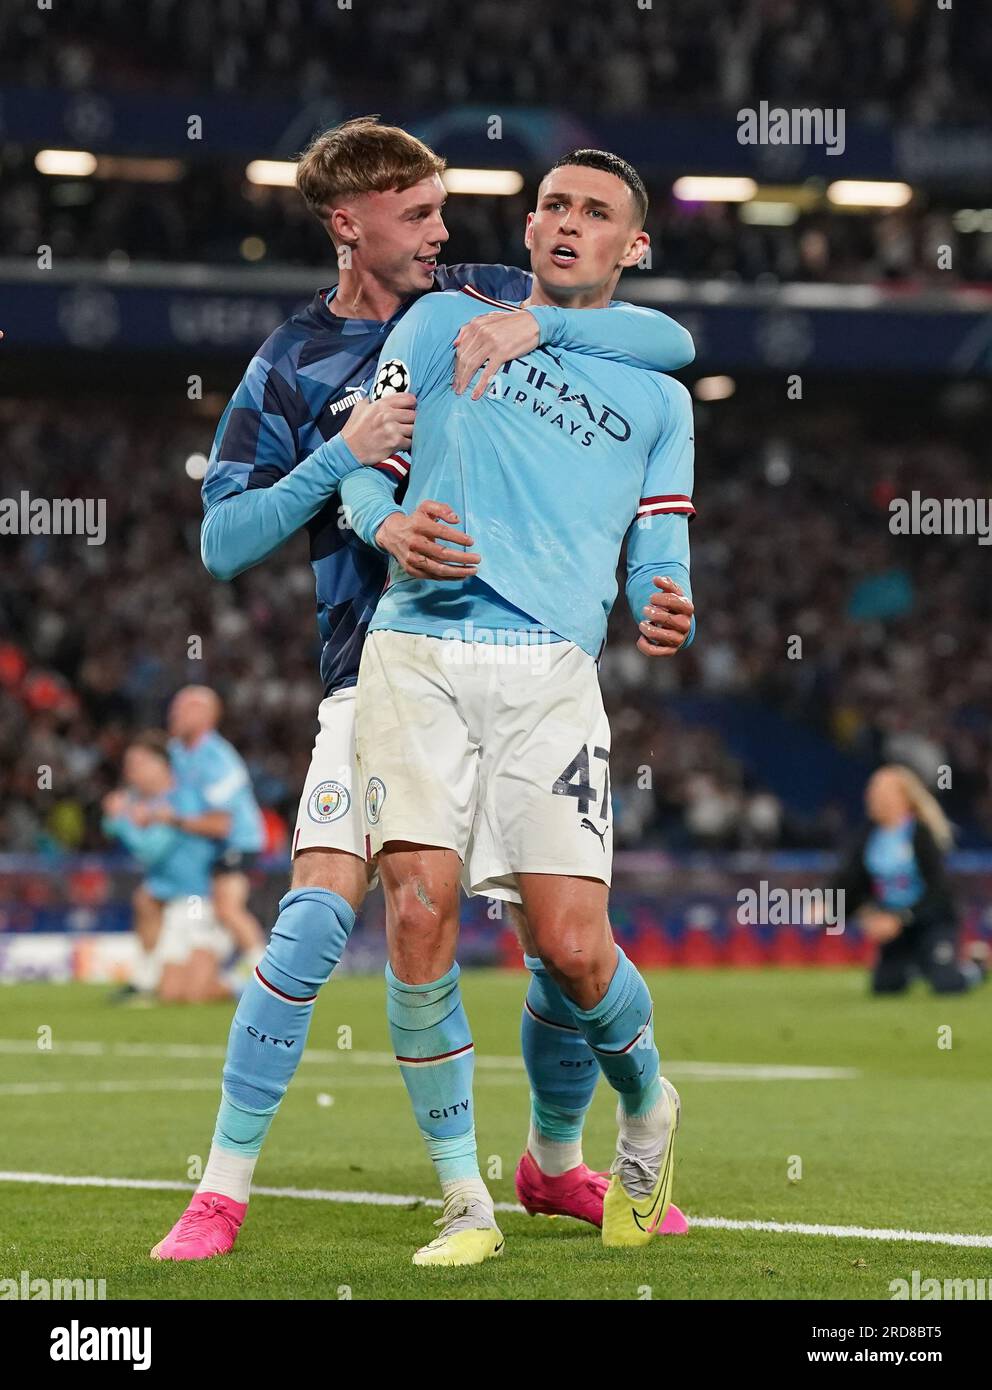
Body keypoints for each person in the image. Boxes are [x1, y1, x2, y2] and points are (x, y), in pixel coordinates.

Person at [150, 117, 693, 1261]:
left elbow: (664, 337)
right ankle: (233, 1188)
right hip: (378, 661)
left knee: (564, 944)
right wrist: (353, 475)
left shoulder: (481, 295)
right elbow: (226, 541)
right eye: (419, 214)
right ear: (347, 224)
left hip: (530, 660)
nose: (447, 232)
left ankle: (561, 1158)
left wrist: (537, 321)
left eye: (447, 209)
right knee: (335, 919)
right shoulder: (299, 360)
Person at [343, 147, 696, 1264]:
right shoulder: (440, 321)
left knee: (572, 947)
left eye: (595, 212)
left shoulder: (659, 395)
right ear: (529, 226)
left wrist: (662, 597)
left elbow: (659, 543)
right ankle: (465, 1200)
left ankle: (645, 1103)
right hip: (417, 649)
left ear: (633, 245)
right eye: (552, 205)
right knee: (416, 914)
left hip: (550, 674)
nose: (567, 223)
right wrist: (384, 524)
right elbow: (359, 467)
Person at [103, 733, 232, 1004]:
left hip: (197, 902)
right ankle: (147, 979)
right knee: (172, 994)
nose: (130, 772)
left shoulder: (181, 799)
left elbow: (151, 850)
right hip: (172, 901)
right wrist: (119, 816)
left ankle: (238, 981)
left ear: (161, 765)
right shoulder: (146, 801)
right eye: (128, 765)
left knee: (195, 995)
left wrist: (121, 819)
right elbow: (108, 828)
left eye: (137, 764)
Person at [836, 764, 985, 995]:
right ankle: (919, 964)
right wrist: (832, 906)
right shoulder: (868, 836)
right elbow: (850, 882)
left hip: (932, 921)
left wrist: (901, 917)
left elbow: (939, 891)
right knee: (885, 987)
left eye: (880, 792)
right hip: (897, 927)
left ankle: (976, 967)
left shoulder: (921, 834)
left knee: (947, 984)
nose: (872, 797)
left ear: (902, 798)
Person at [164, 686, 266, 970]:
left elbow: (221, 824)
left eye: (183, 708)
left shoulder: (217, 758)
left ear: (207, 716)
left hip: (237, 842)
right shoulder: (176, 752)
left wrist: (170, 819)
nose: (174, 714)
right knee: (211, 910)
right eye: (175, 707)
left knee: (227, 908)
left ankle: (264, 970)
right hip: (203, 846)